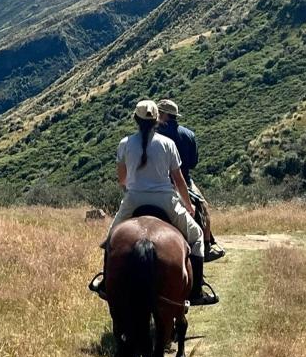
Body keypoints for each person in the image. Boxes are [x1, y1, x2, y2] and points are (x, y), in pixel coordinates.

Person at [89, 99, 219, 305]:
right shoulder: (167, 144)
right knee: (196, 236)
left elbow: (122, 179)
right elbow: (179, 180)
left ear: (135, 119)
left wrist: (135, 184)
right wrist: (188, 205)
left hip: (133, 199)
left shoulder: (124, 143)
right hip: (165, 199)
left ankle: (106, 283)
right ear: (157, 119)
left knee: (111, 240)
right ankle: (196, 292)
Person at [156, 98, 225, 261]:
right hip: (184, 181)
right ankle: (206, 247)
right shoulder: (188, 135)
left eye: (159, 113)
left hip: (159, 181)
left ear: (164, 115)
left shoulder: (154, 134)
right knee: (203, 207)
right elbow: (193, 162)